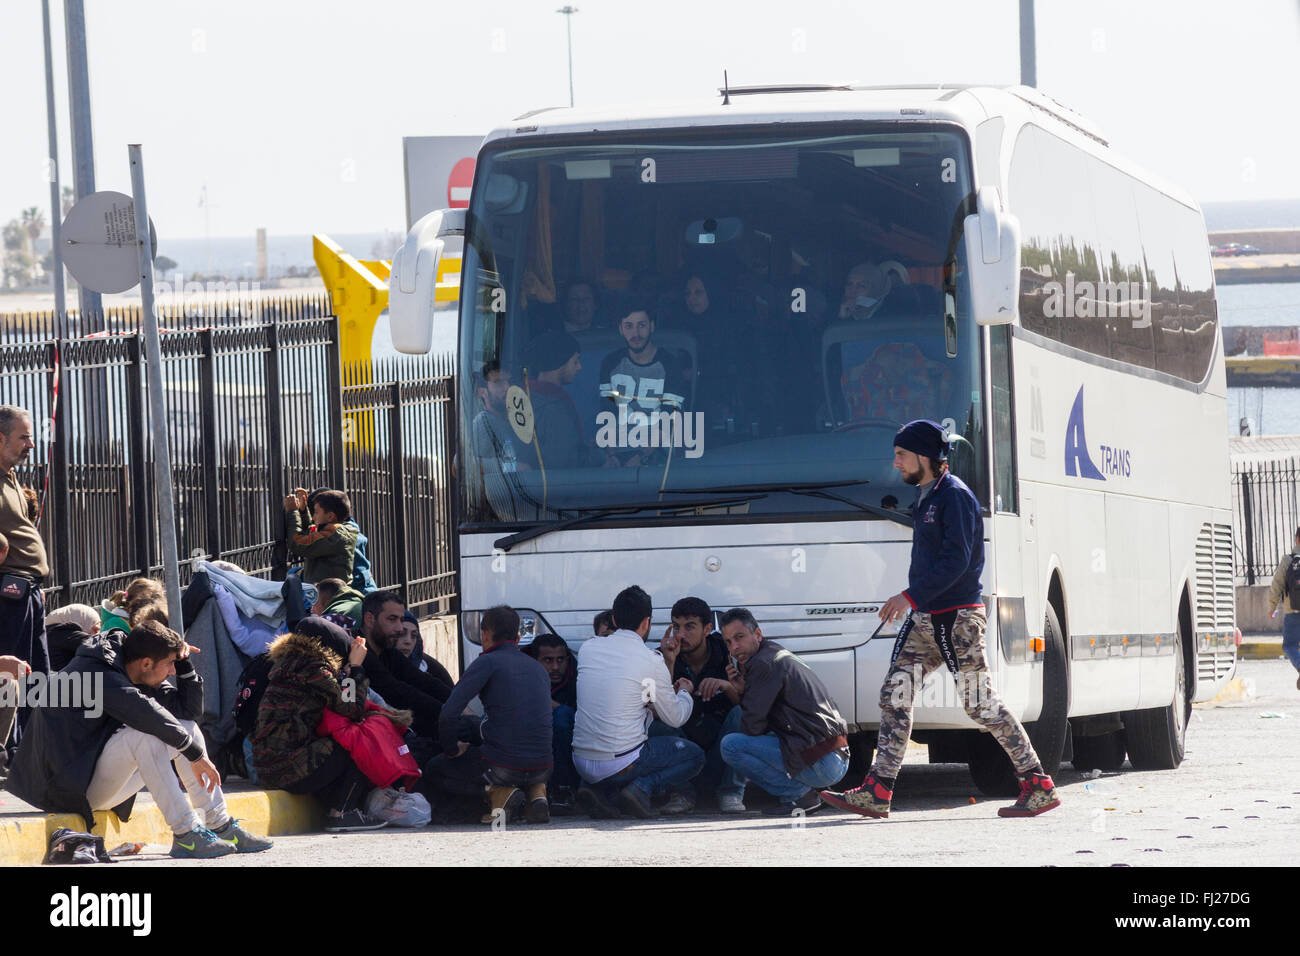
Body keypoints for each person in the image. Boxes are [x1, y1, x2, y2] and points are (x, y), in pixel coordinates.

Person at [823, 420, 1061, 819]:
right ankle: (878, 791)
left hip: (957, 621)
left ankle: (1038, 784)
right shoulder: (929, 496)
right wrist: (915, 602)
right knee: (895, 693)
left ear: (923, 457)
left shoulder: (955, 497)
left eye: (901, 455)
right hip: (927, 620)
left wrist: (909, 596)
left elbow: (959, 561)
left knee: (980, 705)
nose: (895, 462)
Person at [8, 620, 273, 856]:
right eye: (169, 664)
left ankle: (221, 824)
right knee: (147, 736)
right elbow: (147, 714)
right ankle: (186, 834)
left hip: (91, 776)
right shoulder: (97, 672)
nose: (171, 672)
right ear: (147, 663)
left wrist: (183, 663)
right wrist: (194, 754)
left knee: (185, 728)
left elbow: (188, 713)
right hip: (65, 789)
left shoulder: (134, 667)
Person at [572, 585, 705, 819]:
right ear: (647, 623)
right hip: (621, 764)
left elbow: (629, 693)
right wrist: (684, 692)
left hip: (581, 763)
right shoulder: (650, 659)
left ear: (614, 618)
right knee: (694, 755)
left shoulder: (588, 648)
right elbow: (675, 718)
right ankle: (642, 789)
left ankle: (598, 791)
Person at [251, 615, 388, 832]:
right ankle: (342, 812)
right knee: (358, 742)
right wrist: (356, 668)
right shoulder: (313, 668)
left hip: (269, 768)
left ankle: (336, 806)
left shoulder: (287, 665)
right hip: (288, 768)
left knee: (334, 742)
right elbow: (352, 708)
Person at [718, 608, 849, 816]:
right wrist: (745, 691)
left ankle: (799, 795)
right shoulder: (774, 653)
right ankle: (802, 794)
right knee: (738, 716)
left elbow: (753, 727)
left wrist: (742, 692)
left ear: (757, 635)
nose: (734, 647)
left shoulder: (763, 664)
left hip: (824, 762)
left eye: (739, 637)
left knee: (731, 746)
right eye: (728, 642)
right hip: (835, 755)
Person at [437, 606, 554, 824]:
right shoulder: (538, 668)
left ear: (485, 634)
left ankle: (497, 792)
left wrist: (452, 749)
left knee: (436, 769)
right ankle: (536, 794)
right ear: (518, 637)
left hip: (502, 767)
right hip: (544, 767)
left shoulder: (487, 662)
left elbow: (448, 713)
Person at [655, 596, 746, 813]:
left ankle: (731, 792)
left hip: (721, 755)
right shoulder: (663, 656)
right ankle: (682, 794)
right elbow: (657, 709)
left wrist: (727, 686)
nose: (681, 635)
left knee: (743, 715)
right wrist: (669, 662)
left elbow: (748, 707)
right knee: (656, 724)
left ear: (707, 629)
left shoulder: (727, 654)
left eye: (689, 627)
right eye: (676, 627)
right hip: (684, 757)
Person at [0, 406, 50, 760]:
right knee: (12, 676)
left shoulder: (11, 476)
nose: (31, 444)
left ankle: (30, 757)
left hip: (28, 589)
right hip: (10, 590)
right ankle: (8, 751)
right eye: (24, 437)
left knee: (40, 679)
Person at [599, 304, 692, 466]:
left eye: (641, 325)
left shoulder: (670, 364)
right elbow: (607, 411)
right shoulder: (610, 362)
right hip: (618, 450)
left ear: (652, 326)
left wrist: (642, 455)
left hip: (658, 453)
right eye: (629, 326)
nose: (635, 334)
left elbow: (670, 417)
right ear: (620, 329)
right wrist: (611, 454)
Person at [357, 590, 453, 737]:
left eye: (401, 620)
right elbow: (396, 691)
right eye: (392, 619)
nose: (400, 628)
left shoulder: (388, 652)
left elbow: (421, 680)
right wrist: (448, 713)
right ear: (370, 619)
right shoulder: (357, 651)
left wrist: (457, 700)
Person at [523, 331, 612, 471]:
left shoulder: (529, 397)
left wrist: (584, 448)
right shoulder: (554, 408)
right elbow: (565, 463)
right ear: (560, 362)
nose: (579, 367)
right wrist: (600, 455)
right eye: (575, 361)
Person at [470, 360, 541, 521]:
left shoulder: (512, 421)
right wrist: (514, 466)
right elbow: (473, 464)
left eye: (508, 381)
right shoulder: (483, 423)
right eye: (498, 383)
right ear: (483, 392)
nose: (507, 387)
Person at [523, 632, 580, 807]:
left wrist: (547, 704)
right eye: (548, 660)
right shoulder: (522, 677)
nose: (555, 667)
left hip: (570, 751)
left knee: (562, 716)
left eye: (560, 660)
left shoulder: (576, 680)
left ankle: (563, 789)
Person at [283, 488, 358, 585]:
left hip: (327, 595)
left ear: (330, 516)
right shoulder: (336, 530)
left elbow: (298, 543)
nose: (313, 517)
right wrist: (303, 511)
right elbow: (311, 534)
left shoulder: (334, 535)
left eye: (316, 512)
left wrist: (293, 512)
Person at [1266, 526, 1300, 691]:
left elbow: (1276, 585)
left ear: (1296, 539)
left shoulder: (1288, 560)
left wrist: (1272, 607)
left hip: (1292, 611)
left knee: (1290, 645)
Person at [395, 609, 456, 688]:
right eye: (402, 634)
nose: (408, 641)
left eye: (413, 635)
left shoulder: (433, 670)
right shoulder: (378, 670)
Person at [44, 603, 100, 672]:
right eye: (95, 630)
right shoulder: (66, 634)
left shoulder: (52, 633)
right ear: (81, 620)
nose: (97, 633)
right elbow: (103, 645)